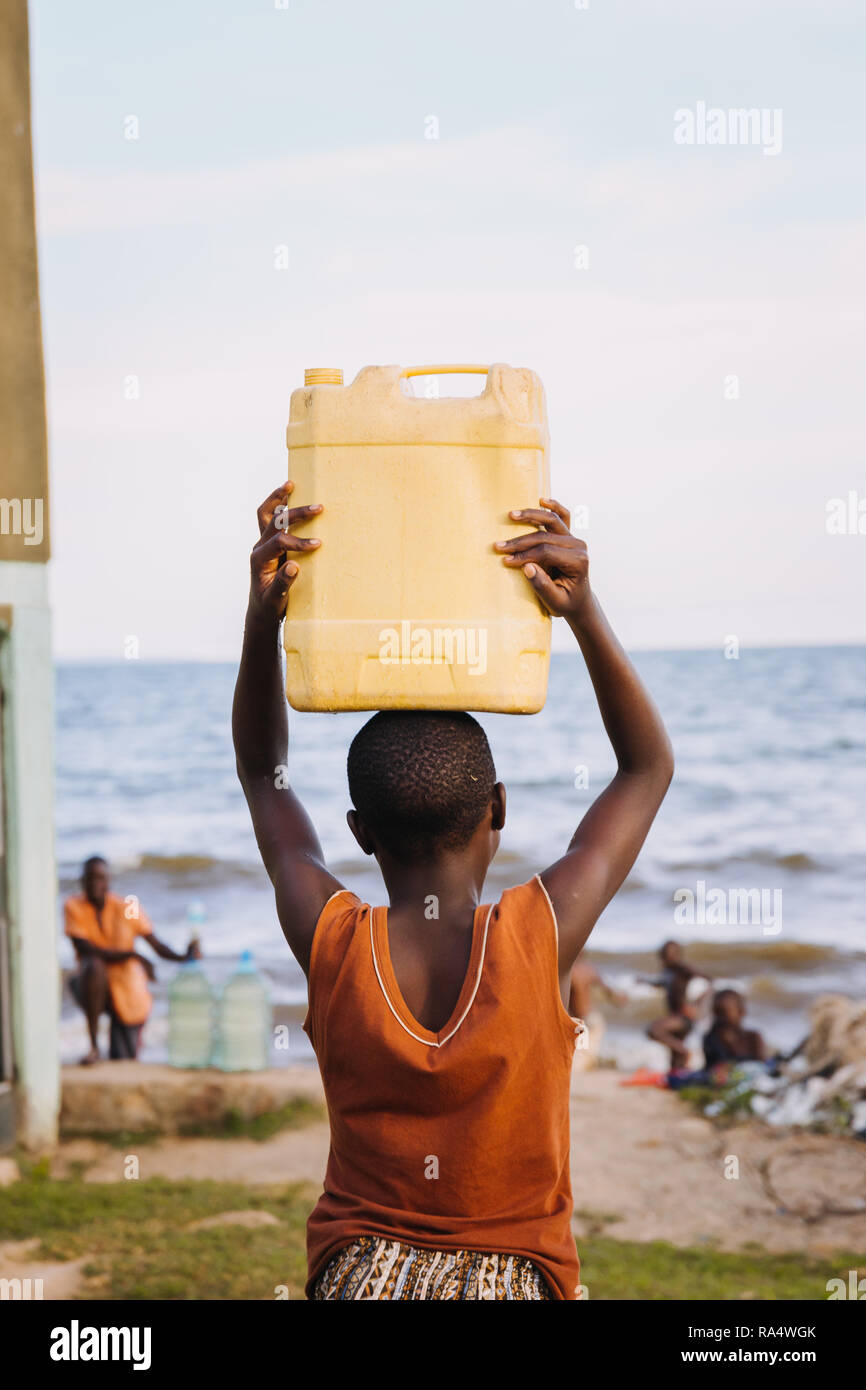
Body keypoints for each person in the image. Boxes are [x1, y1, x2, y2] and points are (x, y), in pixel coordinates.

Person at [233, 481, 674, 1301]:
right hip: (513, 1282)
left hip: (359, 1277)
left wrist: (265, 618)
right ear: (497, 808)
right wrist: (583, 611)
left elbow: (265, 778)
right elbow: (647, 770)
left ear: (361, 833)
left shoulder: (331, 941)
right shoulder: (539, 933)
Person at [64, 856, 200, 1064]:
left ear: (109, 881)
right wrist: (132, 955)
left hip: (126, 991)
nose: (94, 884)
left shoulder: (128, 905)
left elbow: (156, 945)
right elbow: (85, 948)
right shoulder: (73, 905)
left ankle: (119, 1051)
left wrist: (185, 956)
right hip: (92, 987)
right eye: (90, 878)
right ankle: (93, 1048)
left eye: (100, 878)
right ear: (82, 881)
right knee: (94, 965)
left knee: (122, 1056)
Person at [640, 941, 710, 1070]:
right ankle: (679, 1076)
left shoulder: (681, 968)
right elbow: (661, 984)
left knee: (654, 1030)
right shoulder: (668, 971)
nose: (664, 958)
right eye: (663, 955)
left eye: (668, 955)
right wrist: (645, 982)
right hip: (674, 1016)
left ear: (676, 955)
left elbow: (708, 981)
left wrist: (696, 1005)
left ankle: (685, 1051)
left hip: (683, 1017)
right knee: (675, 1060)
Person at [568, 953, 627, 1073]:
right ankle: (593, 1066)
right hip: (593, 1018)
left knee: (581, 1056)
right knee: (588, 1052)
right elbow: (608, 991)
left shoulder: (568, 973)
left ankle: (588, 1068)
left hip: (579, 1019)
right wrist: (618, 1000)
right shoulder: (590, 970)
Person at [702, 989, 765, 1068]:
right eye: (717, 1012)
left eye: (724, 1012)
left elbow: (762, 1066)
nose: (720, 1018)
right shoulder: (711, 1039)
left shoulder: (753, 1037)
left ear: (741, 1012)